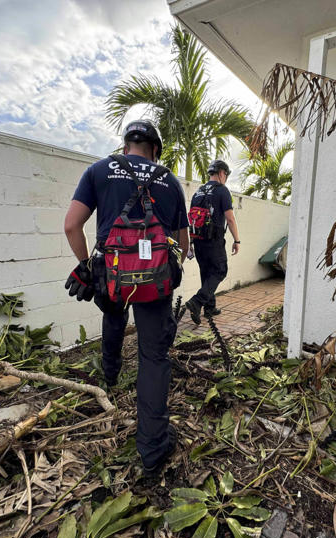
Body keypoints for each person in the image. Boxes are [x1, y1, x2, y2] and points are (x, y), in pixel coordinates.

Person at [63, 119, 189, 475]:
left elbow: (72, 225)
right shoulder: (169, 180)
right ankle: (152, 451)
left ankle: (111, 376)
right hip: (155, 281)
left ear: (125, 147)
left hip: (112, 273)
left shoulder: (99, 170)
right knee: (153, 357)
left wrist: (87, 265)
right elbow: (183, 242)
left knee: (114, 318)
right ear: (155, 150)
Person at [185, 159, 240, 324]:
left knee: (206, 273)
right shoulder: (222, 191)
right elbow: (229, 218)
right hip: (214, 240)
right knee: (220, 271)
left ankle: (209, 308)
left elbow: (193, 219)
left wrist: (191, 243)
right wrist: (237, 240)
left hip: (199, 241)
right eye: (226, 175)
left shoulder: (198, 192)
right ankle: (197, 302)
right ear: (222, 173)